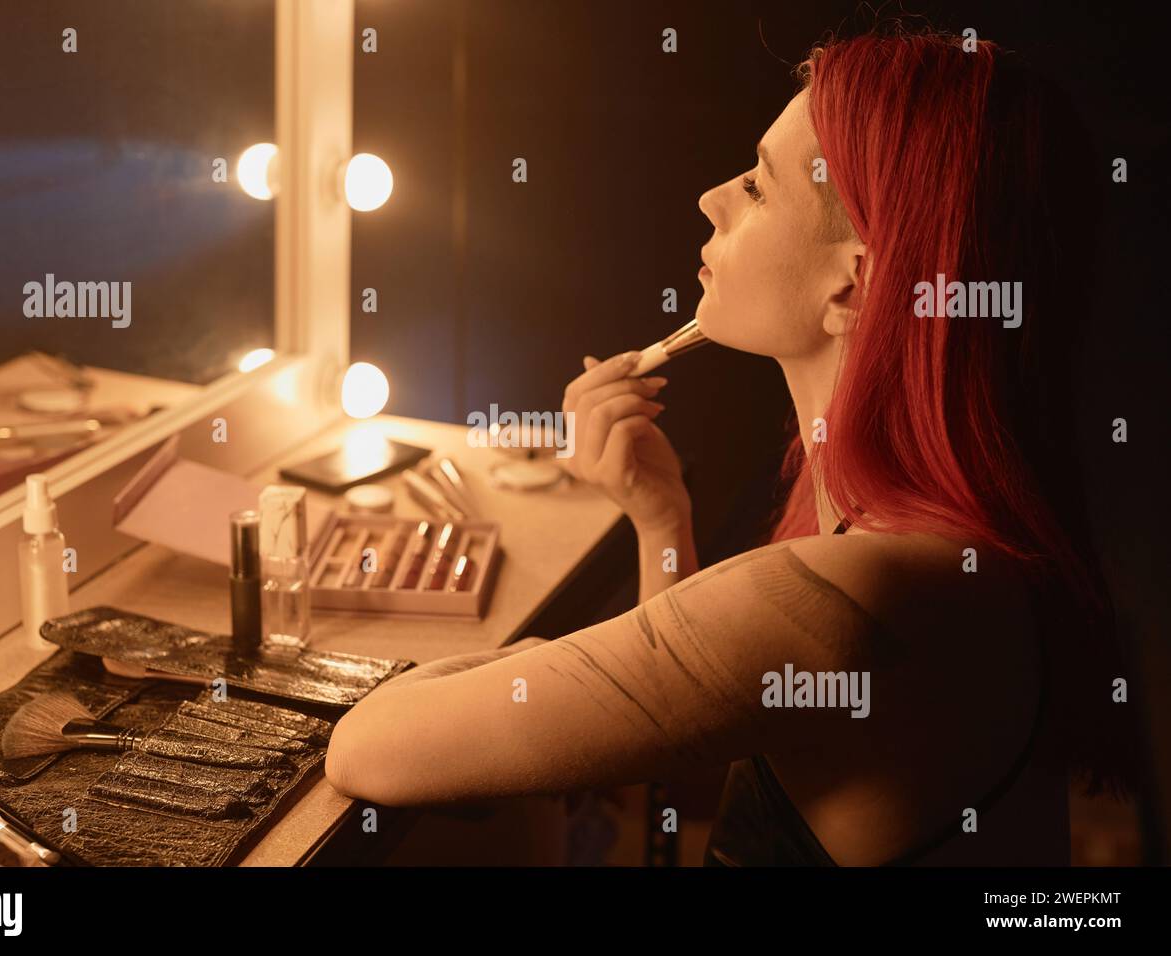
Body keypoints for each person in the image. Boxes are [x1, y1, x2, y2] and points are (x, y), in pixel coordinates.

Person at [324, 29, 1134, 865]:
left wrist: (531, 660)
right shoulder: (926, 558)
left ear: (853, 284)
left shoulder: (857, 596)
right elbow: (688, 730)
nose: (712, 197)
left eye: (756, 185)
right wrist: (659, 520)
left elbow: (367, 747)